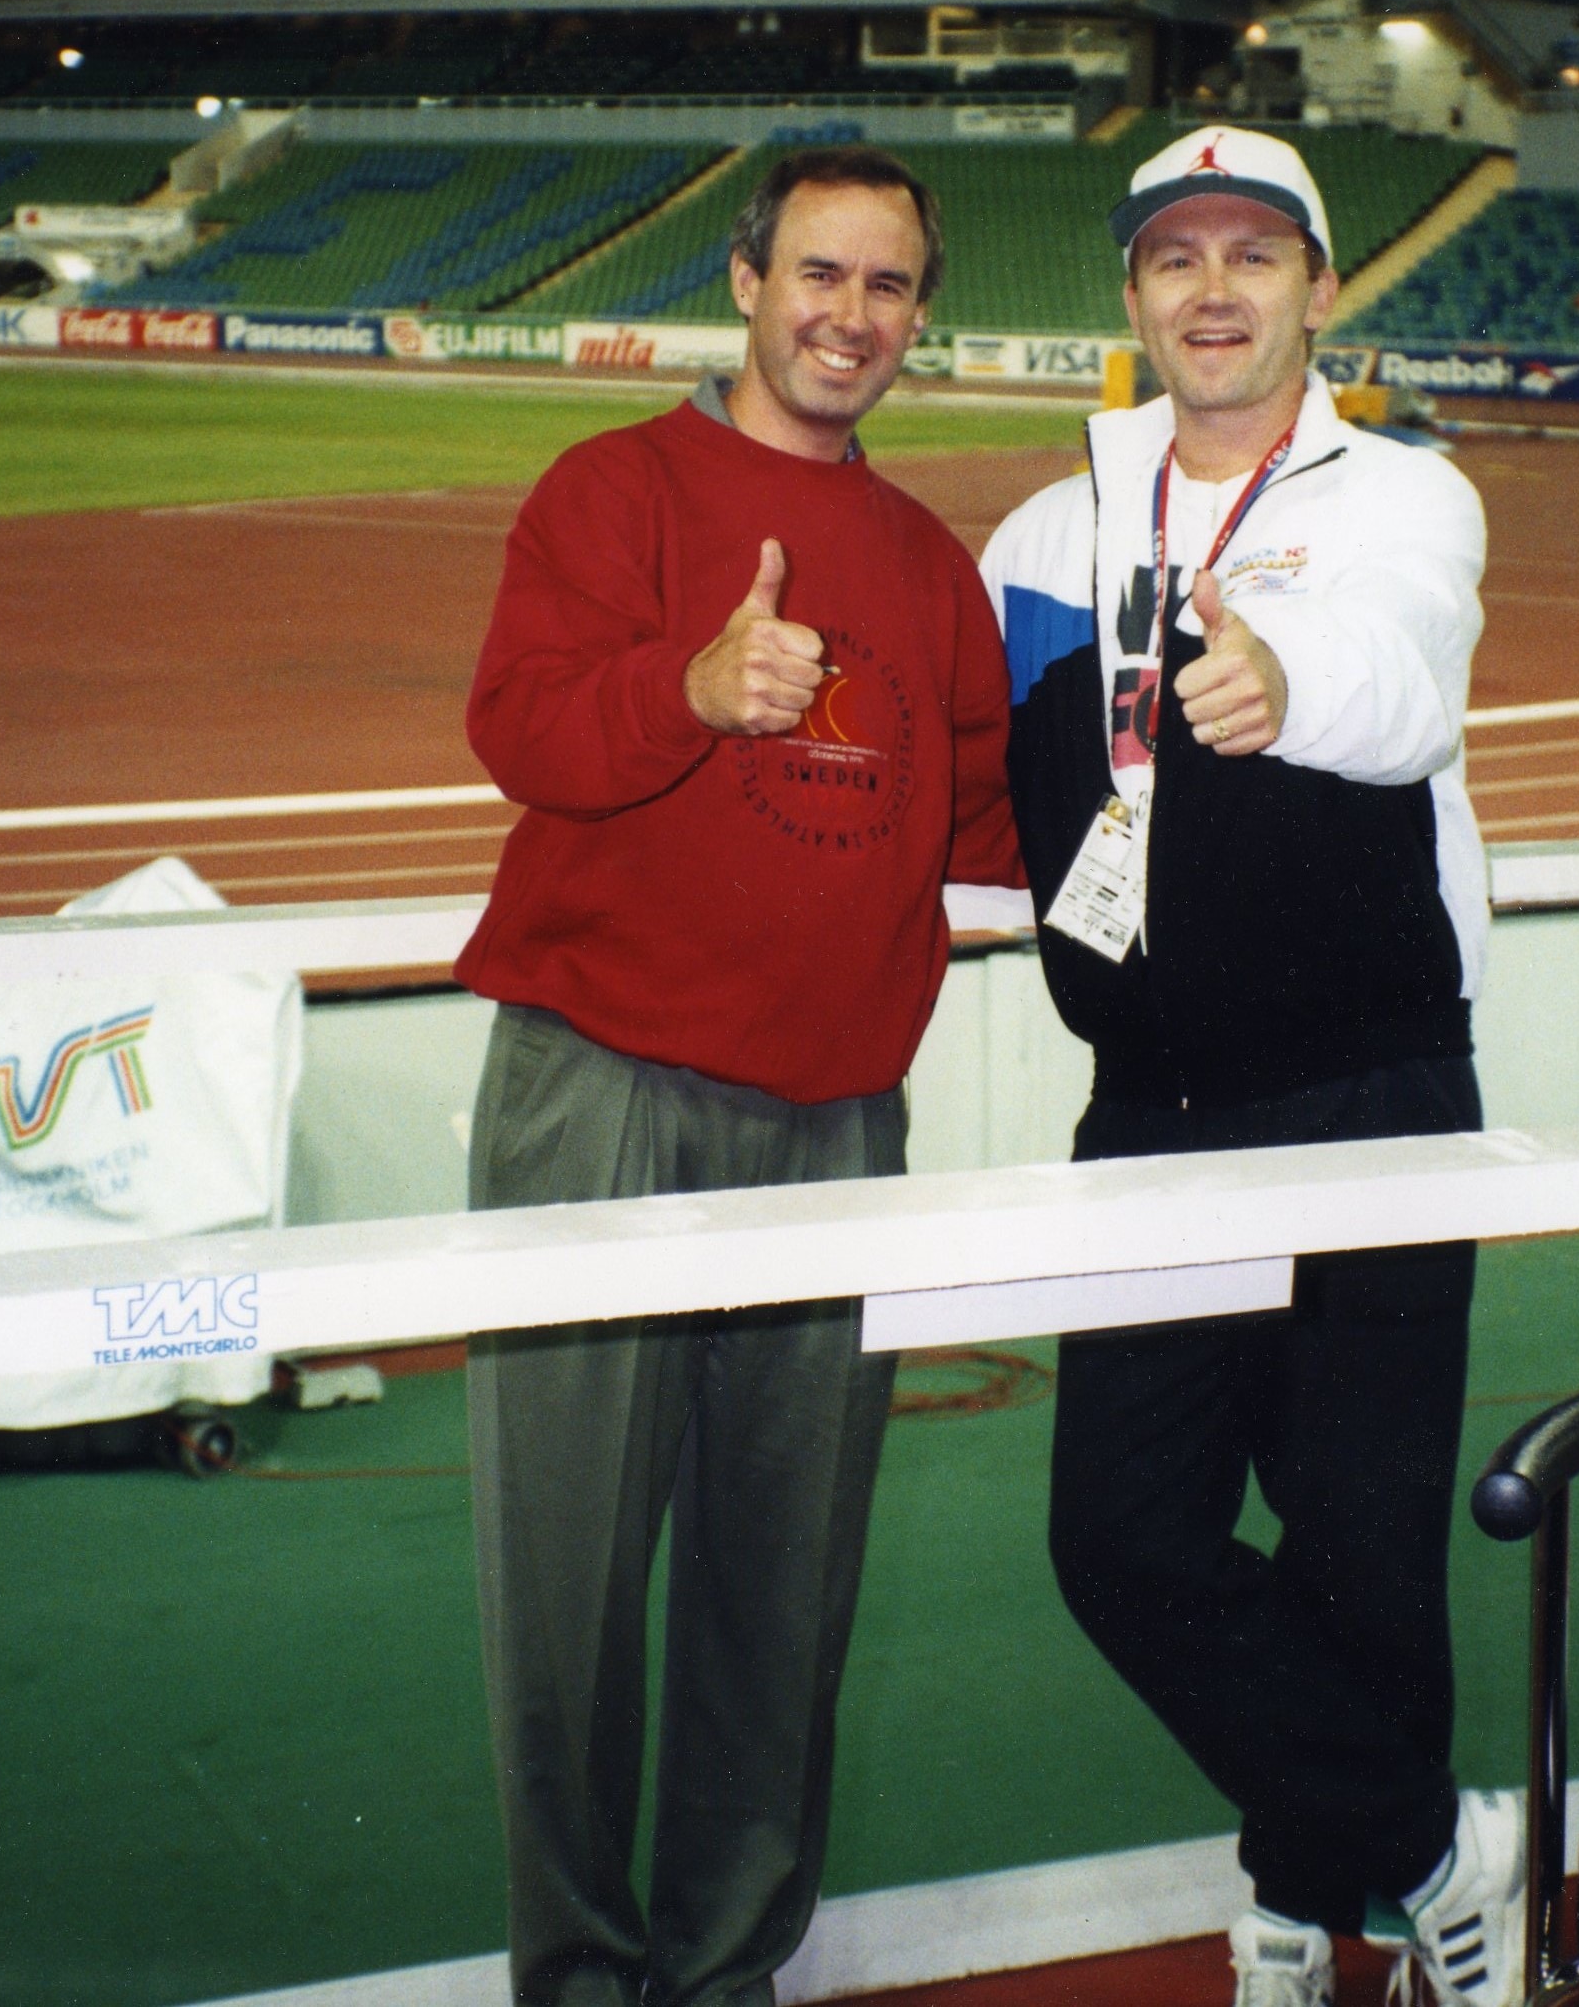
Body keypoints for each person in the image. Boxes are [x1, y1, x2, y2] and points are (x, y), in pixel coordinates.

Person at [452, 146, 1020, 2007]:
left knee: (780, 1598)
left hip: (837, 1124)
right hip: (602, 1089)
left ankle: (723, 1971)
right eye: (819, 275)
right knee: (571, 1594)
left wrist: (1188, 789)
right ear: (746, 279)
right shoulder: (613, 491)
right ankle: (580, 1977)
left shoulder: (933, 571)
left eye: (889, 287)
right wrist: (689, 693)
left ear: (920, 314)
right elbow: (521, 724)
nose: (851, 317)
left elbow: (998, 823)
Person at [981, 126, 1522, 2007]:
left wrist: (1286, 676)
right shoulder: (1045, 540)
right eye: (1175, 258)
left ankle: (1317, 1903)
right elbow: (1010, 801)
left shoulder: (1400, 495)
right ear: (1128, 297)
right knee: (1120, 1538)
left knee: (1368, 1549)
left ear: (1319, 284)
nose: (1214, 289)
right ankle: (1434, 1845)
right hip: (1151, 1115)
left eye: (1254, 255)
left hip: (1372, 1089)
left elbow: (1406, 677)